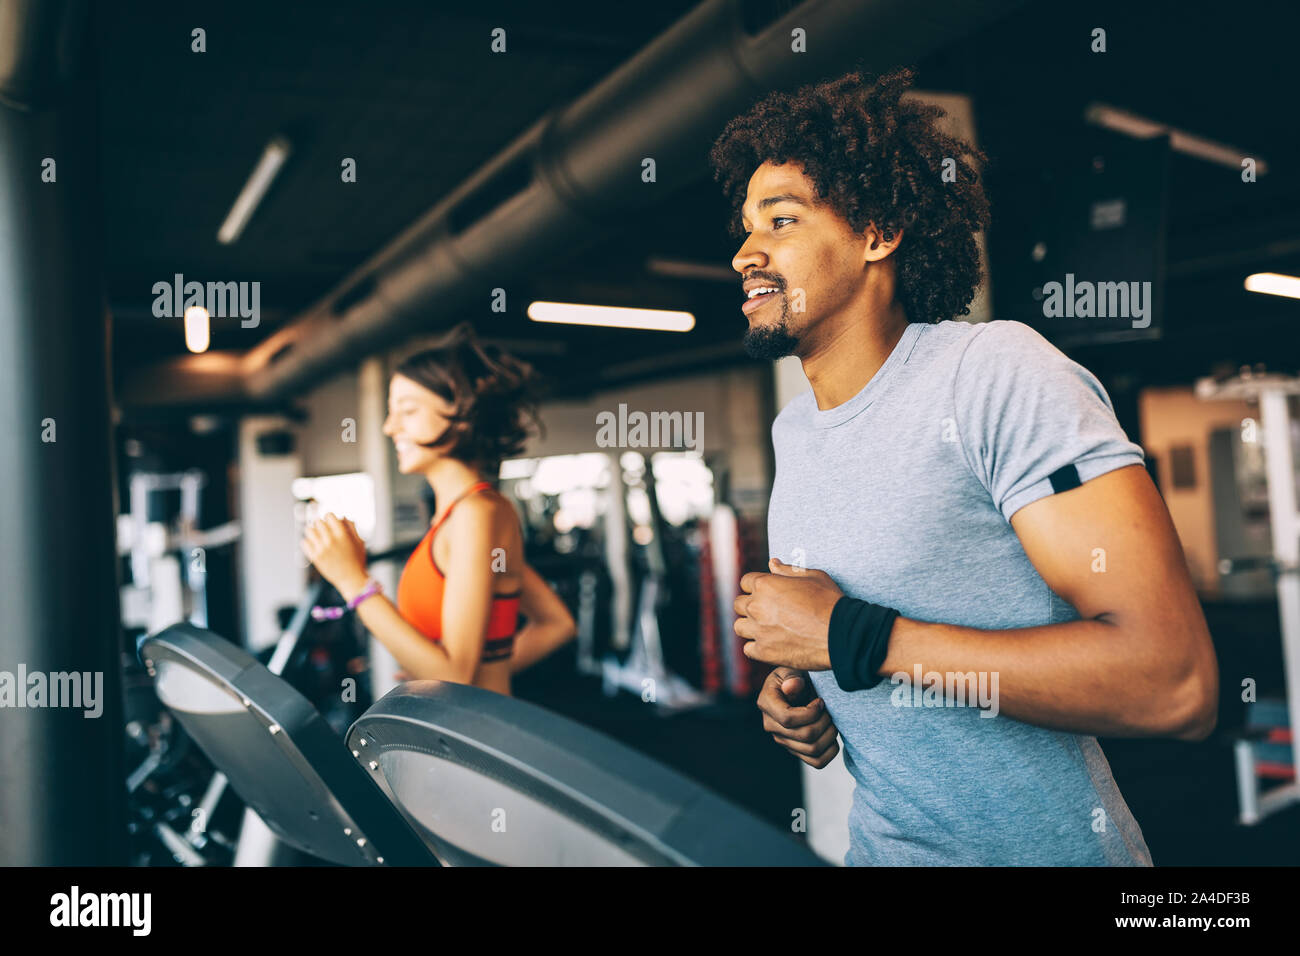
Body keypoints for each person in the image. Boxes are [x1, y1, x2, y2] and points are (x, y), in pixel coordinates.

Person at [711, 68, 1218, 865]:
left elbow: (1173, 682)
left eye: (781, 220)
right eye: (745, 226)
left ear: (877, 233)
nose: (747, 252)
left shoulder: (994, 373)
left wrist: (851, 637)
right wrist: (808, 693)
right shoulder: (794, 430)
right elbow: (849, 644)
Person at [301, 322, 575, 696]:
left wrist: (353, 582)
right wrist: (475, 672)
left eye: (407, 411)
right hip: (466, 723)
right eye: (390, 412)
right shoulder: (472, 513)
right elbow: (556, 624)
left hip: (472, 738)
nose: (388, 426)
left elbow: (456, 676)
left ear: (461, 415)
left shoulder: (476, 514)